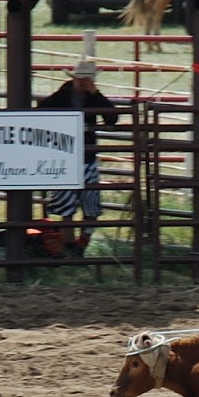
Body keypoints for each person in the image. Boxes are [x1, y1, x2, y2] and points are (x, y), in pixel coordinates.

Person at [40, 57, 119, 254]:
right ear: (74, 78)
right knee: (67, 209)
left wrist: (95, 93)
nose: (83, 82)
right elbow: (40, 112)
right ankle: (69, 249)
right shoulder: (62, 95)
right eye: (80, 78)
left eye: (87, 80)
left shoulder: (92, 96)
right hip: (66, 157)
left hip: (85, 156)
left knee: (90, 207)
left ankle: (79, 247)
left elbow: (112, 118)